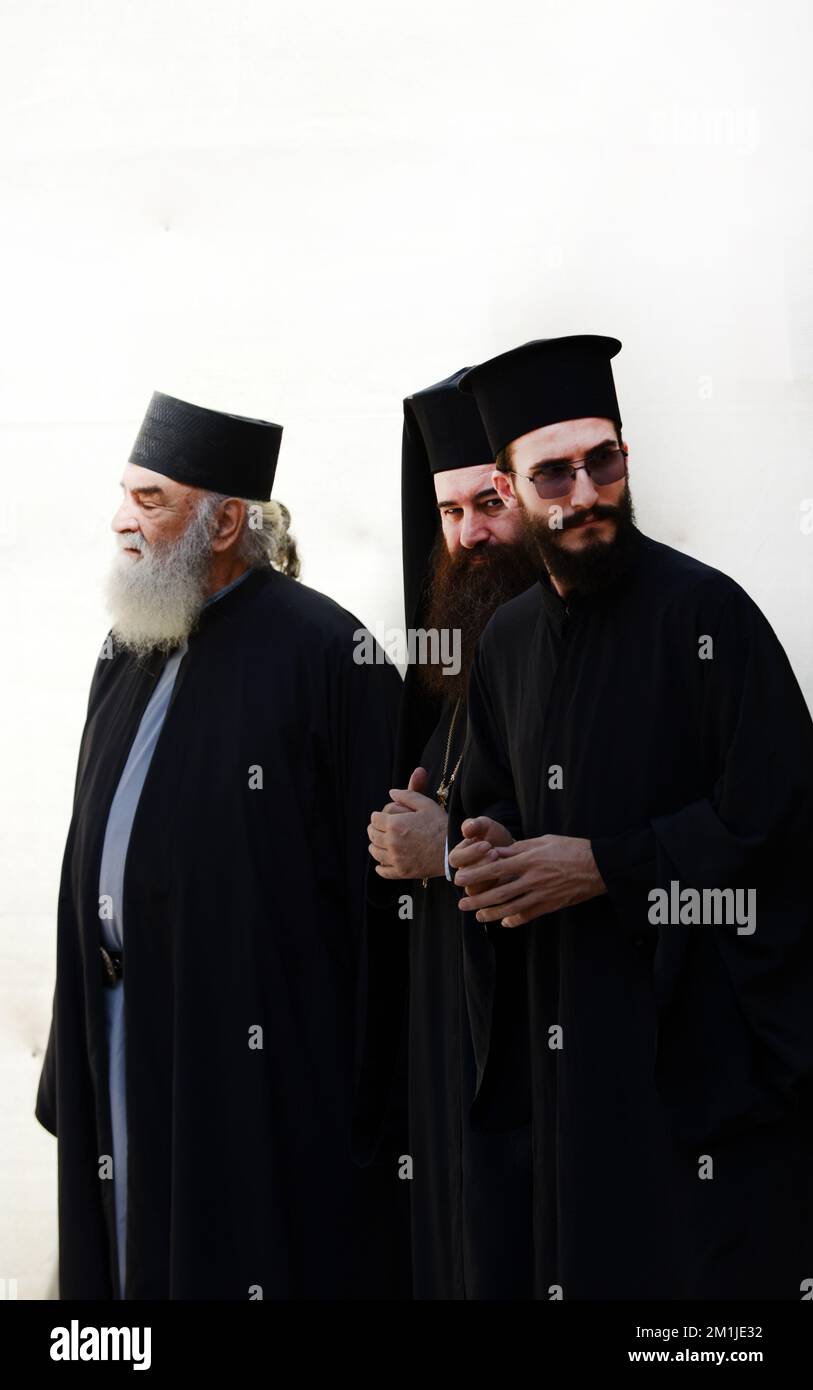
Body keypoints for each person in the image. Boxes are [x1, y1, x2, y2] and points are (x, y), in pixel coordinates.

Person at [448, 335, 813, 1299]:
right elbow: (489, 799)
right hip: (564, 1058)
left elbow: (783, 829)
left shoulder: (709, 615)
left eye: (601, 460)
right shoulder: (508, 641)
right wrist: (477, 844)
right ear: (509, 485)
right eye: (553, 472)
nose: (583, 493)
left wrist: (612, 864)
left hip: (694, 1070)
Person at [35, 390, 406, 1299]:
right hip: (121, 1027)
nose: (124, 520)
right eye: (126, 494)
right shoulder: (125, 648)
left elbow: (380, 902)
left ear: (227, 520)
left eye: (152, 499)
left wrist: (364, 1097)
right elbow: (89, 840)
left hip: (251, 1056)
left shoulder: (327, 652)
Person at [366, 370, 536, 1298]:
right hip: (449, 1076)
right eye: (450, 510)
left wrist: (447, 855)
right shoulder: (454, 675)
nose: (471, 534)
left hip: (556, 1080)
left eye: (491, 503)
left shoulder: (614, 641)